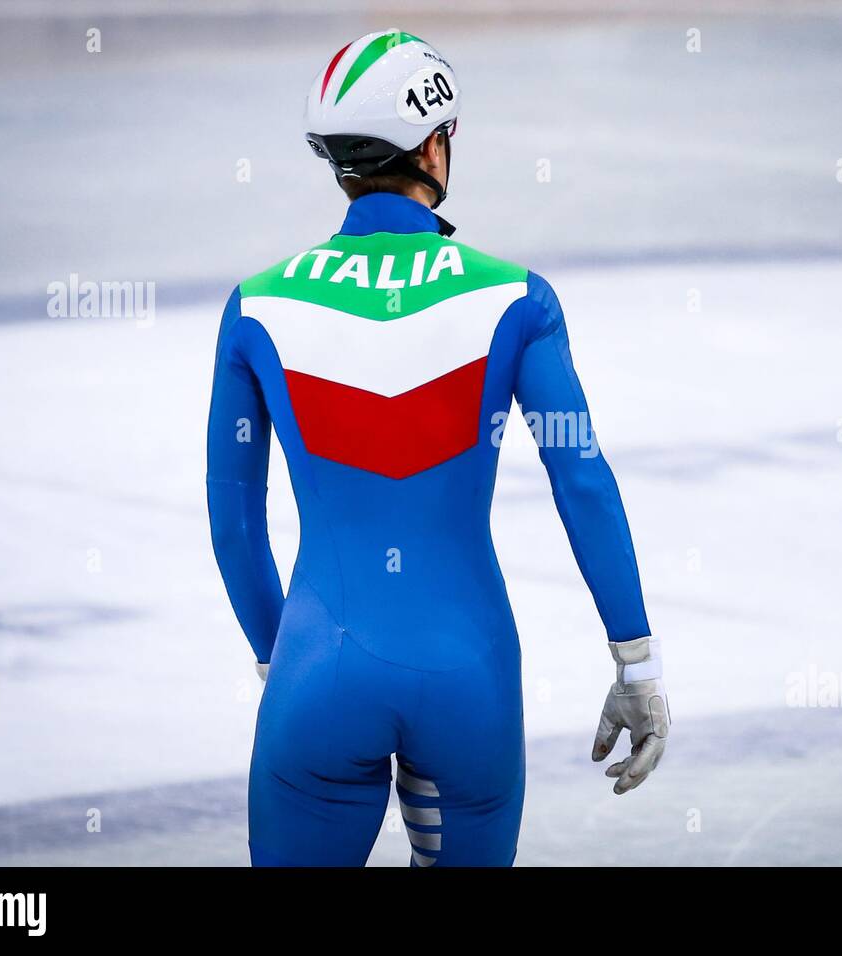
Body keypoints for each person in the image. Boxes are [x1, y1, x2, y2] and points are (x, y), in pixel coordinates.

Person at [206, 30, 668, 867]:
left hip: (320, 667)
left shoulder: (256, 307)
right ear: (430, 143)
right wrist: (635, 662)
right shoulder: (518, 299)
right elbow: (584, 483)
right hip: (469, 674)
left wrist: (287, 666)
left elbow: (234, 523)